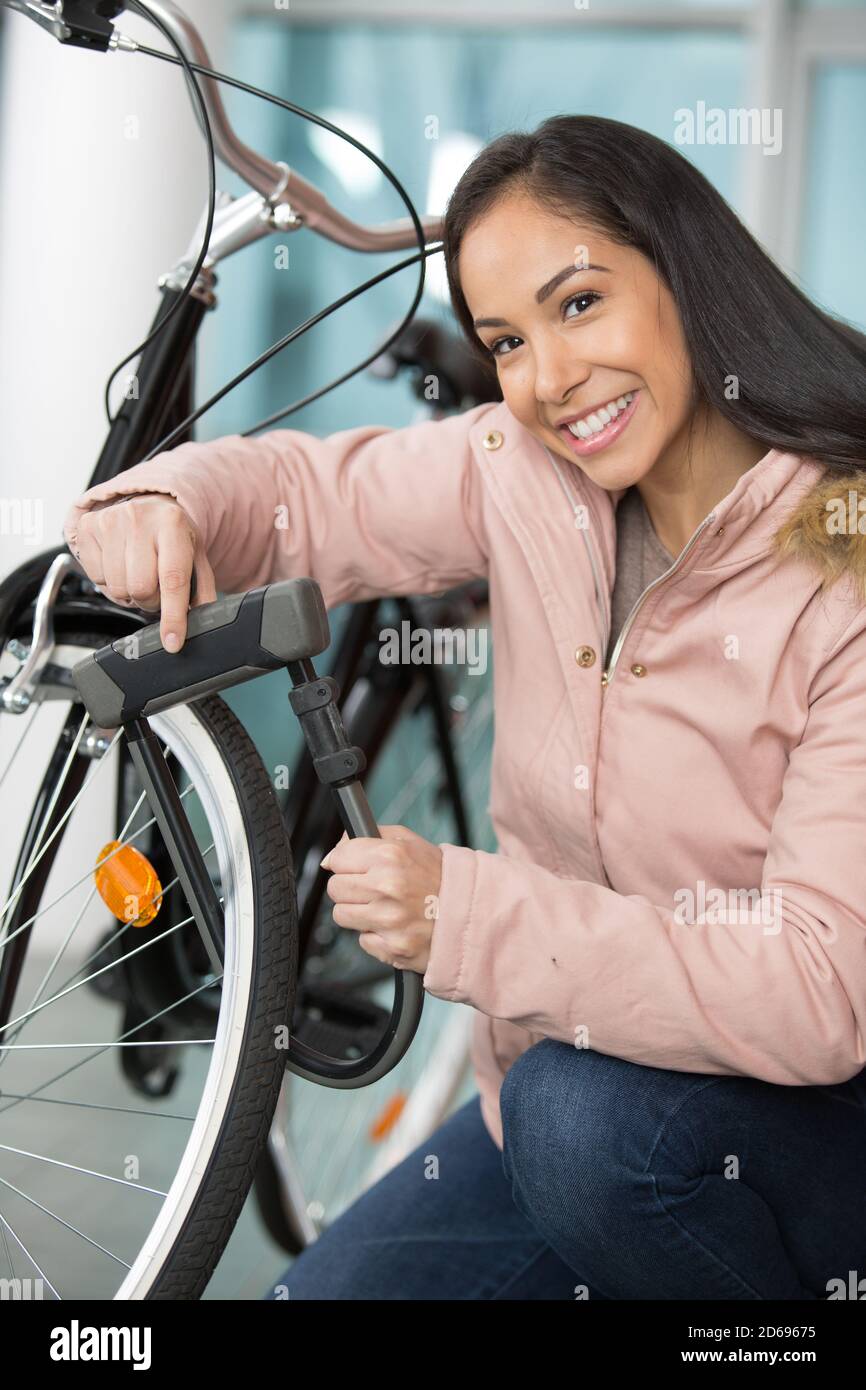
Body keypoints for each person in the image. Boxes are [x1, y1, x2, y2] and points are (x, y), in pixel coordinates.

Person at [63, 115, 866, 1300]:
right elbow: (304, 496)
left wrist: (468, 917)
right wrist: (161, 502)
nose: (546, 379)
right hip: (568, 1107)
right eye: (504, 339)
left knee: (580, 1121)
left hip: (798, 1130)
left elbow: (818, 990)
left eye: (578, 304)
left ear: (684, 274)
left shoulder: (841, 564)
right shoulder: (522, 471)